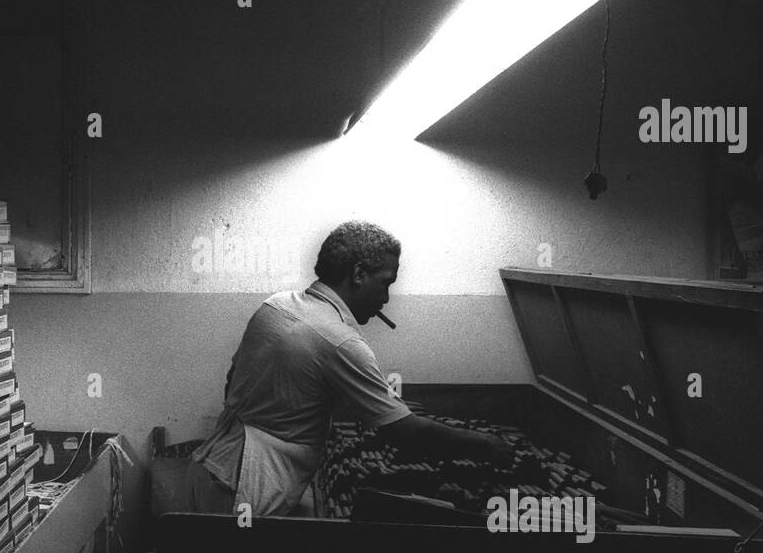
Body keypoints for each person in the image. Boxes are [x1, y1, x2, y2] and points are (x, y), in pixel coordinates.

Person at [182, 220, 514, 518]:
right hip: (251, 491)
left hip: (214, 466)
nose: (386, 297)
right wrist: (485, 444)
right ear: (358, 274)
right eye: (385, 282)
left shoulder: (276, 305)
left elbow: (235, 381)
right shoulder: (341, 341)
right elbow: (404, 432)